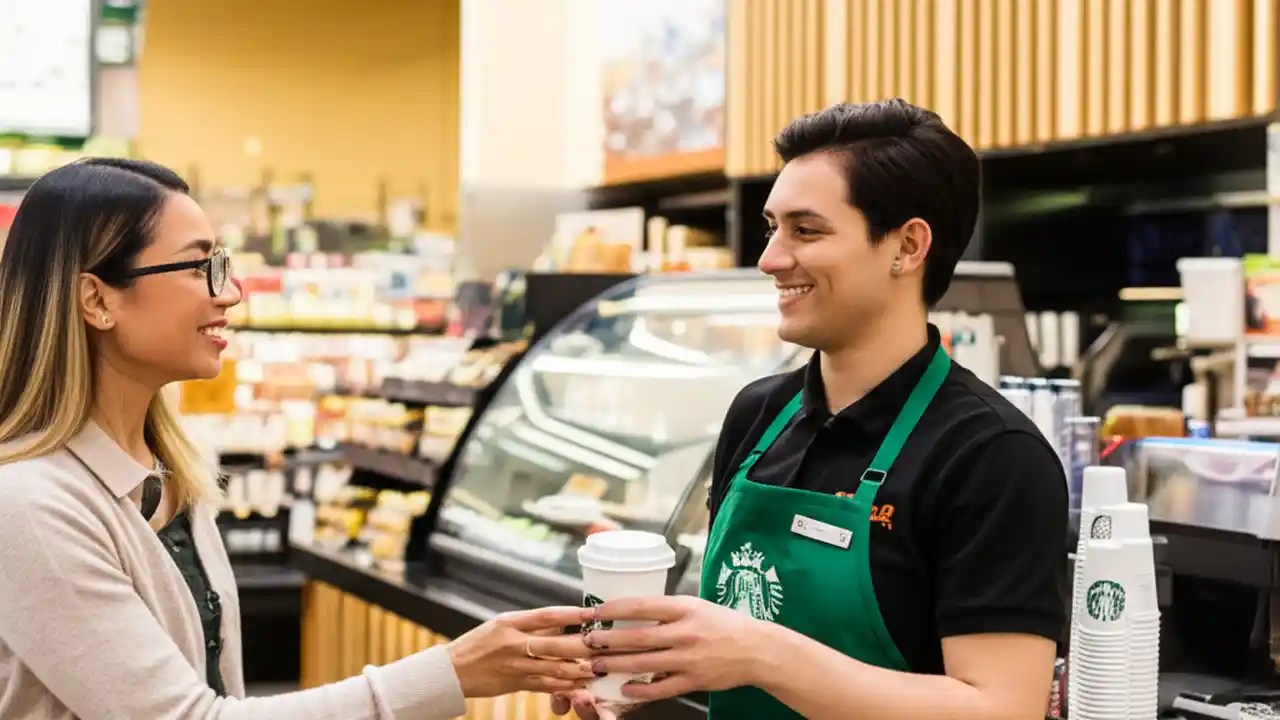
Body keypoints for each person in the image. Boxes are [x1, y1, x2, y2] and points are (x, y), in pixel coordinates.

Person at [0, 158, 595, 719]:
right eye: (197, 266)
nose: (229, 293)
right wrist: (453, 672)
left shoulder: (170, 471)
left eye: (222, 265)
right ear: (97, 299)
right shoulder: (30, 504)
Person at [554, 99, 1068, 719]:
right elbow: (746, 637)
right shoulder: (759, 415)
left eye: (806, 230)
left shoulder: (991, 455)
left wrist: (759, 655)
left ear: (907, 246)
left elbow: (1000, 710)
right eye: (773, 227)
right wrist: (646, 670)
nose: (771, 258)